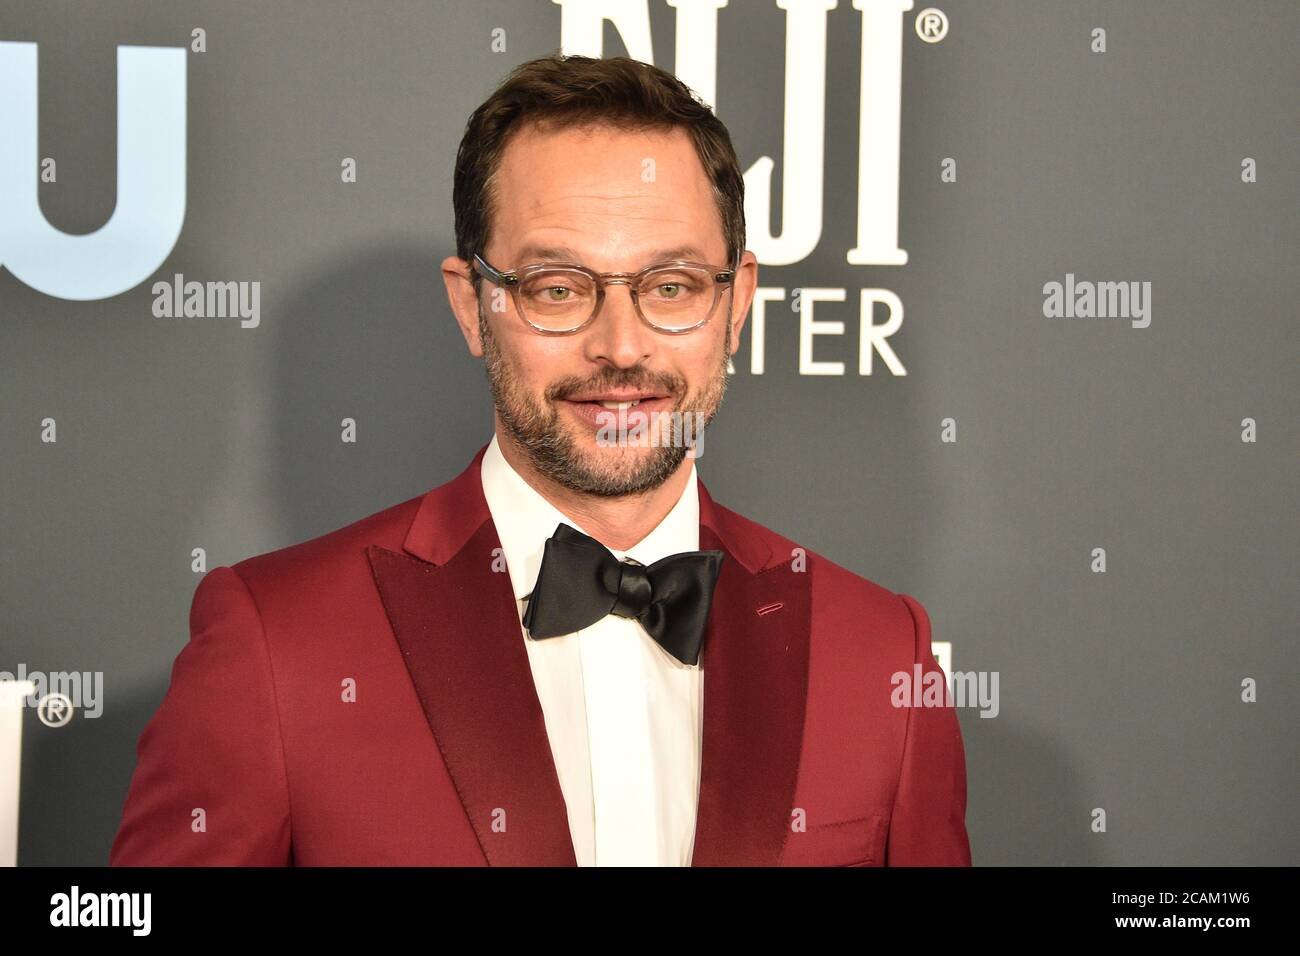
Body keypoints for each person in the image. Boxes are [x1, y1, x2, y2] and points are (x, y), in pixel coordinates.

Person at [110, 52, 971, 867]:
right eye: (557, 288)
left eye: (670, 286)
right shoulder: (275, 647)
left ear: (736, 301)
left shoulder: (880, 657)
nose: (621, 347)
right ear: (472, 306)